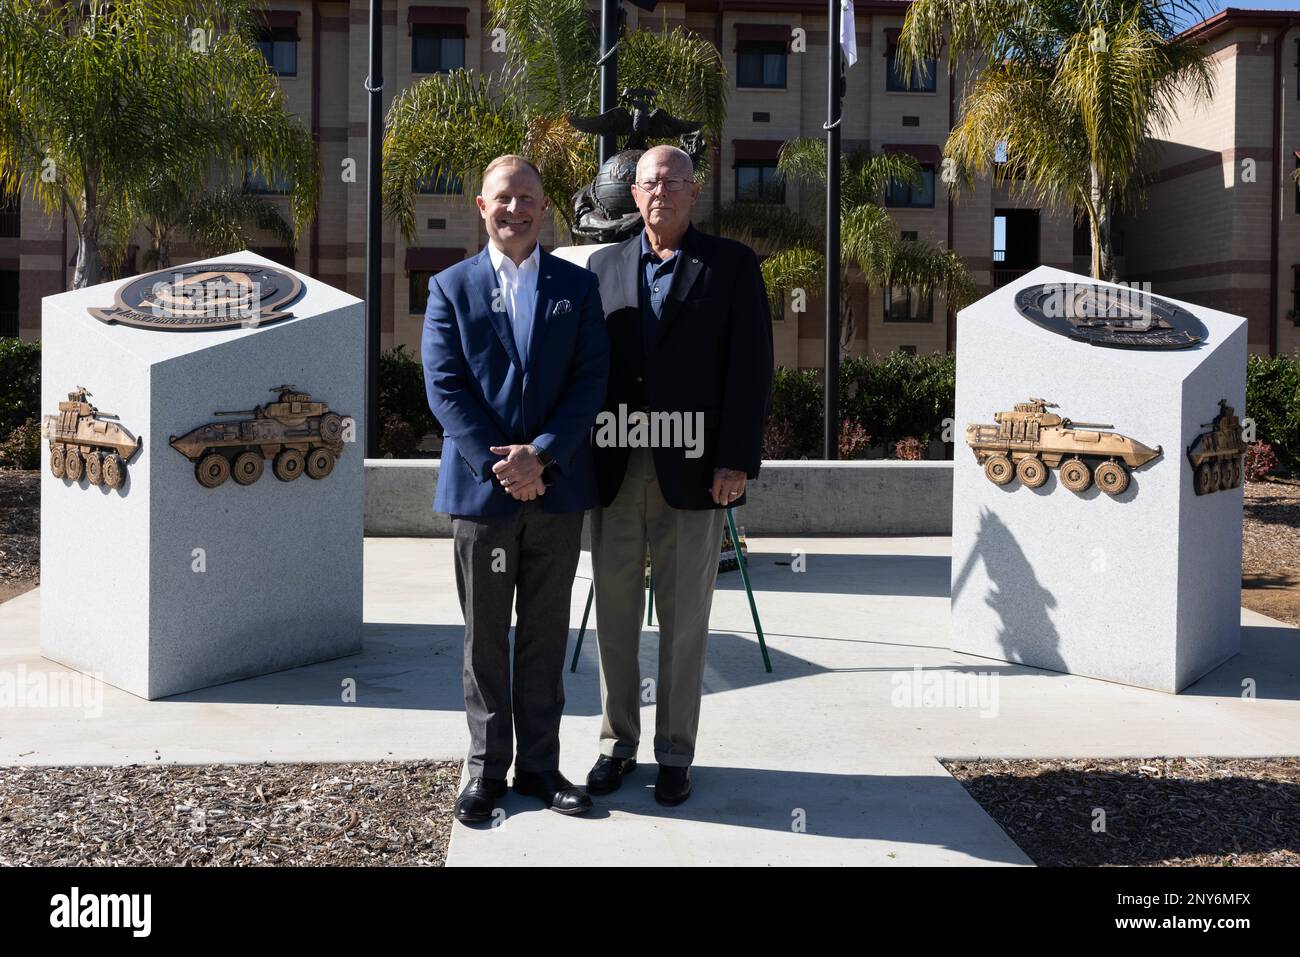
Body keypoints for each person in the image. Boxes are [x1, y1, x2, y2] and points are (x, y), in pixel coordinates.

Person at [583, 145, 773, 805]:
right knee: (614, 617)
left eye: (673, 180)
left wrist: (735, 461)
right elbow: (585, 374)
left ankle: (674, 752)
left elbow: (751, 370)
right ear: (632, 195)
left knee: (685, 620)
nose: (660, 190)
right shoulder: (600, 267)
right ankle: (615, 744)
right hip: (613, 468)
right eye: (648, 181)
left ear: (696, 191)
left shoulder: (732, 266)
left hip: (695, 473)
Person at [422, 155, 609, 823]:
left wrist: (543, 457)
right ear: (482, 205)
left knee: (543, 634)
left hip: (555, 494)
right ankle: (484, 769)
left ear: (543, 208)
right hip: (482, 495)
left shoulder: (575, 287)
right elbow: (444, 388)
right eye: (505, 198)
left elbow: (590, 382)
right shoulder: (449, 287)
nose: (516, 210)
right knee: (484, 639)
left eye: (528, 198)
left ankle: (539, 765)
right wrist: (502, 463)